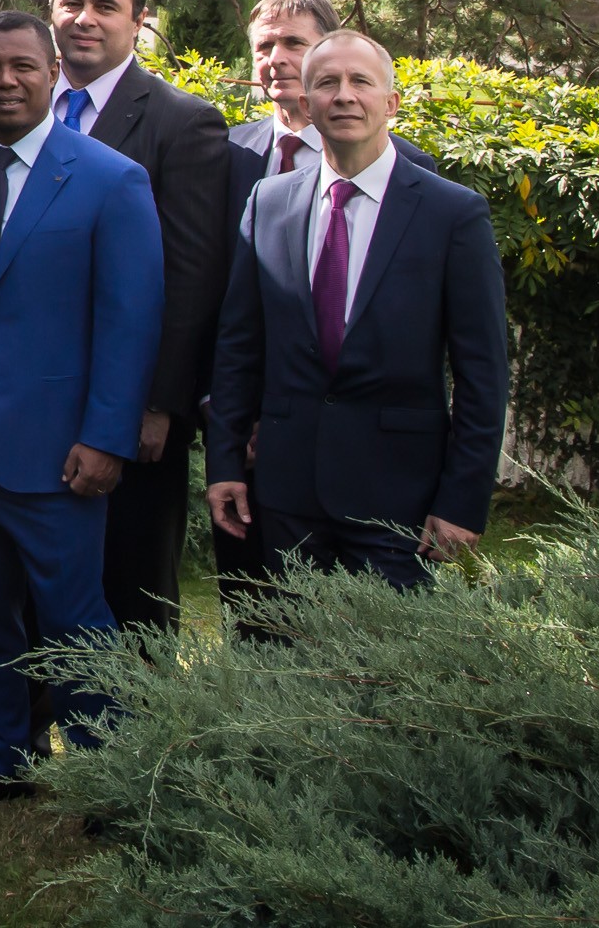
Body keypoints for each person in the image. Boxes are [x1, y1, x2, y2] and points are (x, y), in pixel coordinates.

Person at [0, 13, 161, 812]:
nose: (5, 80)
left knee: (74, 616)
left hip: (58, 449)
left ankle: (103, 774)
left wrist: (106, 434)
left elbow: (130, 320)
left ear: (54, 71)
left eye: (22, 66)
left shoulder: (111, 178)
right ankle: (0, 759)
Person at [208, 32, 508, 588]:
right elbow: (238, 348)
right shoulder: (268, 202)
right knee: (278, 664)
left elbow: (483, 373)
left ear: (390, 103)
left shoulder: (453, 215)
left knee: (385, 670)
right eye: (326, 83)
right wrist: (224, 463)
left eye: (360, 82)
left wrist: (463, 498)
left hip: (399, 502)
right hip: (284, 493)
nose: (344, 96)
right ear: (306, 102)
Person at [48, 0, 227, 633]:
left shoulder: (183, 122)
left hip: (130, 406)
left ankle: (141, 740)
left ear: (138, 20)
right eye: (72, 3)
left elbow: (190, 277)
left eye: (105, 6)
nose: (85, 18)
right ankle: (20, 741)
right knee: (33, 580)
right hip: (35, 390)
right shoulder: (18, 107)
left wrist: (154, 404)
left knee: (134, 589)